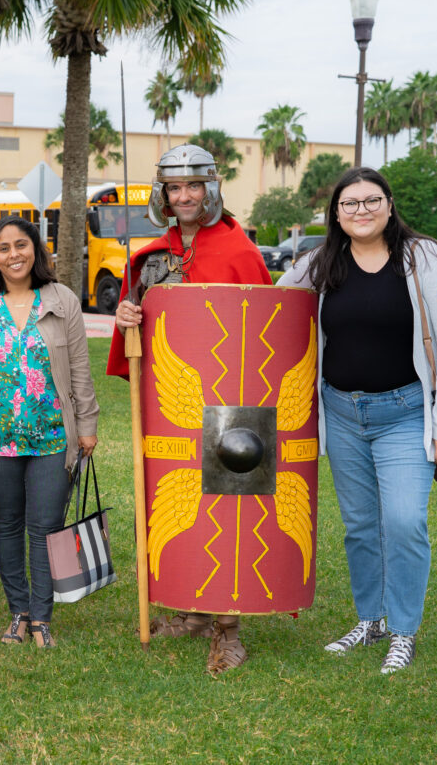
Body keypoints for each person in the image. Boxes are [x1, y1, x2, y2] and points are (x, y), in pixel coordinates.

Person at [277, 167, 437, 674]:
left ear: (388, 205)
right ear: (336, 213)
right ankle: (371, 620)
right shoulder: (319, 263)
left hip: (405, 414)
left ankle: (403, 631)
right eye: (350, 203)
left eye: (371, 200)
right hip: (342, 413)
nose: (360, 210)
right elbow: (266, 306)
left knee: (404, 522)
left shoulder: (424, 258)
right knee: (361, 526)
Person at [107, 143, 272, 675]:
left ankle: (229, 628)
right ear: (162, 193)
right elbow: (141, 335)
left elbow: (263, 331)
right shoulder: (150, 257)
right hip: (174, 406)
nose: (184, 197)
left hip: (231, 410)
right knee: (183, 506)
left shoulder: (239, 251)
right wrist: (128, 316)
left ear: (211, 188)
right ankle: (195, 614)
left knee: (228, 510)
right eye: (174, 187)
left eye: (193, 186)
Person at [0, 216, 99, 649]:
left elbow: (79, 369)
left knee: (46, 527)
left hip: (53, 436)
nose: (14, 254)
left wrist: (87, 426)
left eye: (22, 245)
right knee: (8, 524)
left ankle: (41, 618)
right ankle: (18, 612)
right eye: (4, 247)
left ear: (36, 248)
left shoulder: (61, 299)